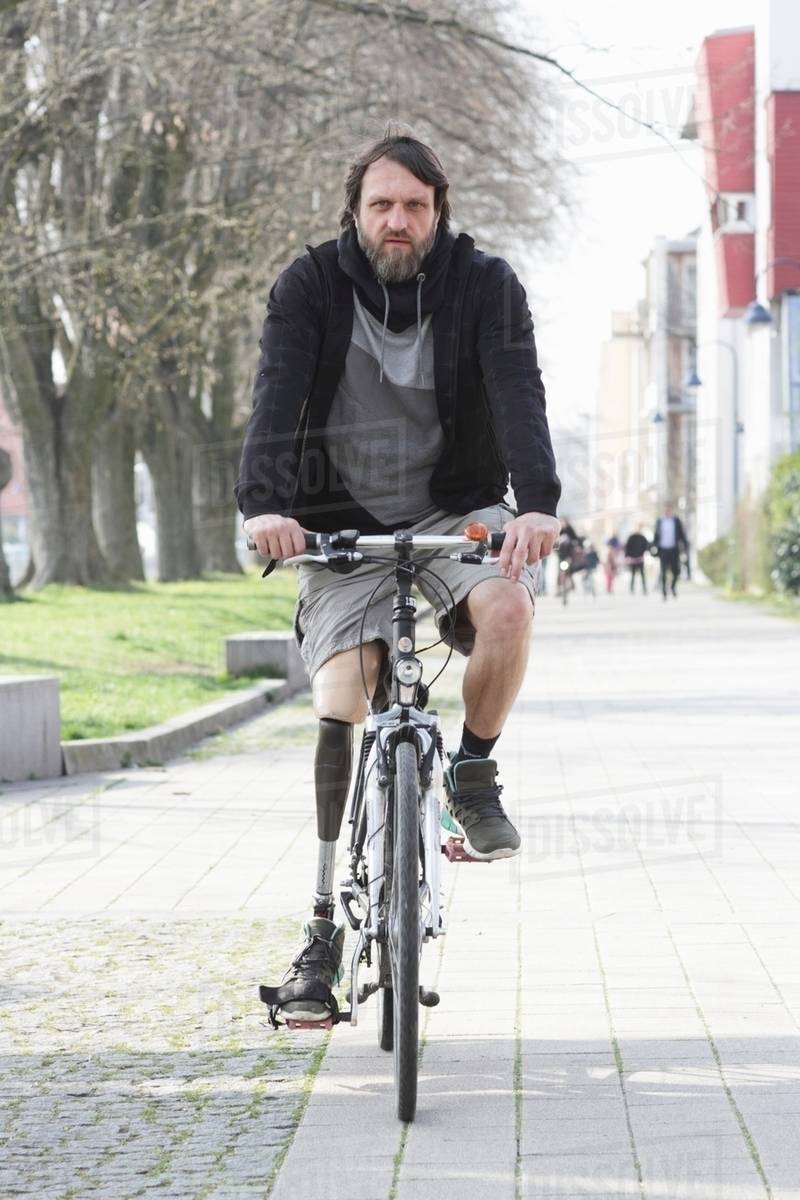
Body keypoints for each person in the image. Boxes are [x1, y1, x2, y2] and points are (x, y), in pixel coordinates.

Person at [236, 127, 561, 1022]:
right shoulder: (309, 286)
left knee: (507, 610)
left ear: (438, 213)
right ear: (355, 212)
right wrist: (266, 506)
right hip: (337, 522)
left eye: (415, 206)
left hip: (457, 509)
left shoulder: (487, 288)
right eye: (381, 204)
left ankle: (473, 777)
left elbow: (517, 391)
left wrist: (535, 502)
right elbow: (276, 393)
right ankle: (320, 934)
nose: (398, 221)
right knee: (344, 696)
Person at [652, 504, 689, 599]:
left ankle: (672, 587)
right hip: (663, 550)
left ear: (671, 510)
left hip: (674, 550)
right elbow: (656, 535)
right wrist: (653, 547)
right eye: (665, 510)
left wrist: (685, 548)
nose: (667, 511)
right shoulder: (659, 521)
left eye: (668, 510)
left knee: (676, 571)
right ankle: (664, 591)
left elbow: (682, 535)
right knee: (663, 571)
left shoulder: (676, 521)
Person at [624, 527, 649, 594]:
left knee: (640, 574)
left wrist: (627, 556)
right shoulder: (632, 537)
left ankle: (643, 588)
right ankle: (633, 589)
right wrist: (627, 556)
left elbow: (646, 546)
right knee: (634, 574)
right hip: (635, 559)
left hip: (639, 558)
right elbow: (627, 547)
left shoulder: (641, 537)